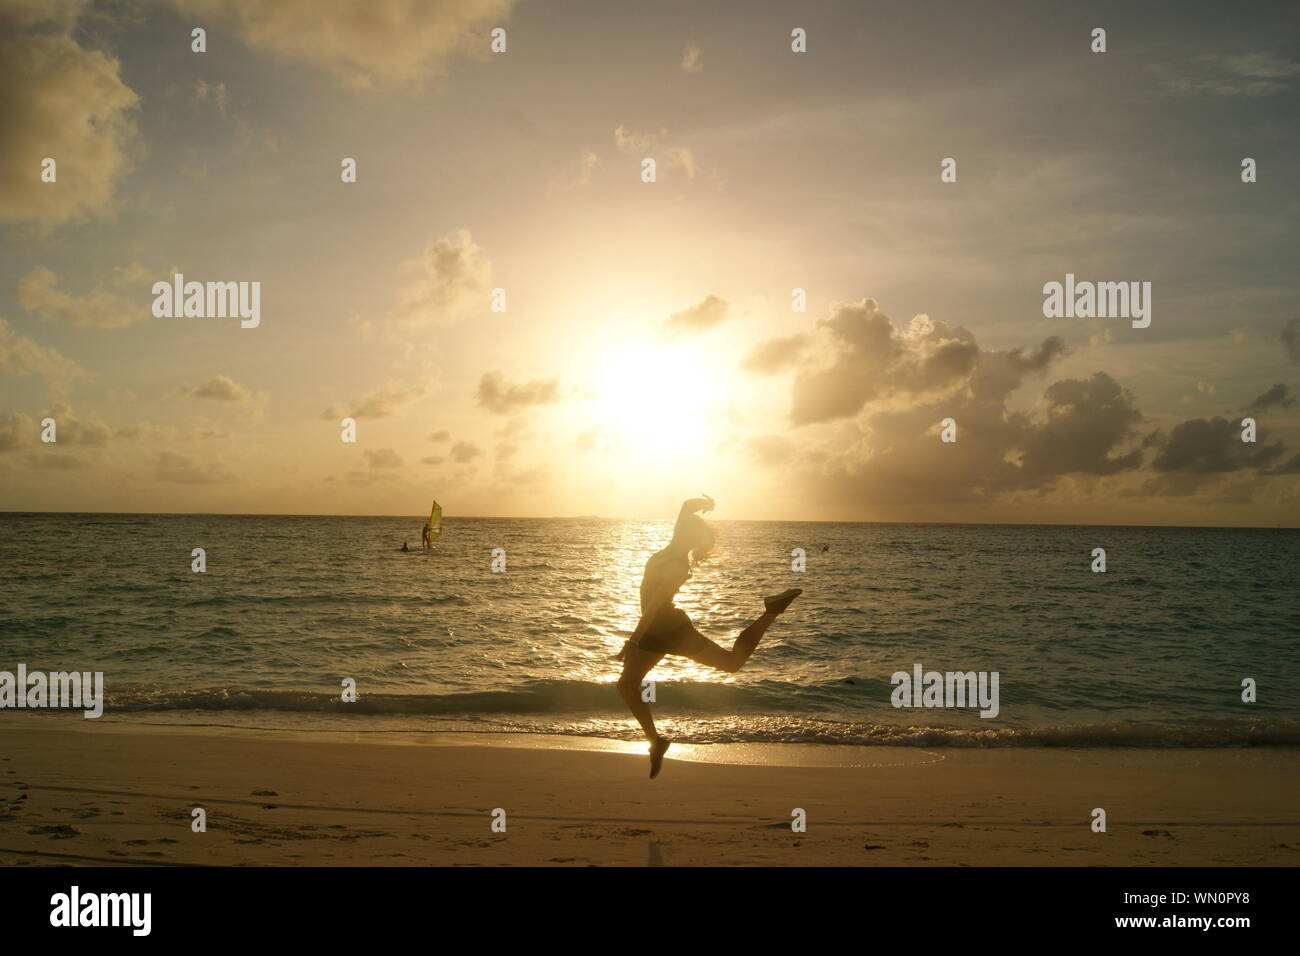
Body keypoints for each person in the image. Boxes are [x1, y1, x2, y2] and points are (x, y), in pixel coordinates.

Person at [615, 495, 802, 779]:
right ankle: (656, 742)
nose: (680, 528)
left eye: (686, 528)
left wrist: (634, 639)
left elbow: (653, 605)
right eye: (683, 526)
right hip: (657, 631)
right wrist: (703, 503)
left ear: (689, 537)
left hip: (669, 630)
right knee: (627, 685)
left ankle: (771, 611)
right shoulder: (671, 549)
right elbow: (685, 511)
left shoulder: (677, 564)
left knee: (732, 663)